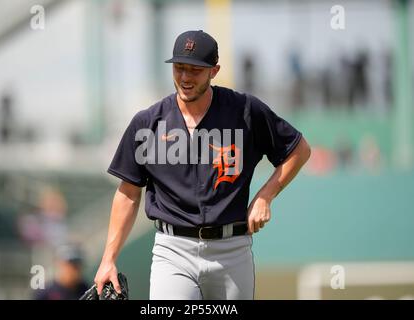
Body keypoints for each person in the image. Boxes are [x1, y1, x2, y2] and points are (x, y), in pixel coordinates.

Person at [94, 30, 311, 300]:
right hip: (173, 250)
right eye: (179, 68)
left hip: (232, 251)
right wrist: (108, 259)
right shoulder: (147, 123)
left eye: (195, 70)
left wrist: (266, 195)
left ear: (214, 70)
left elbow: (298, 150)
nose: (185, 77)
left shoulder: (245, 110)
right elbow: (128, 192)